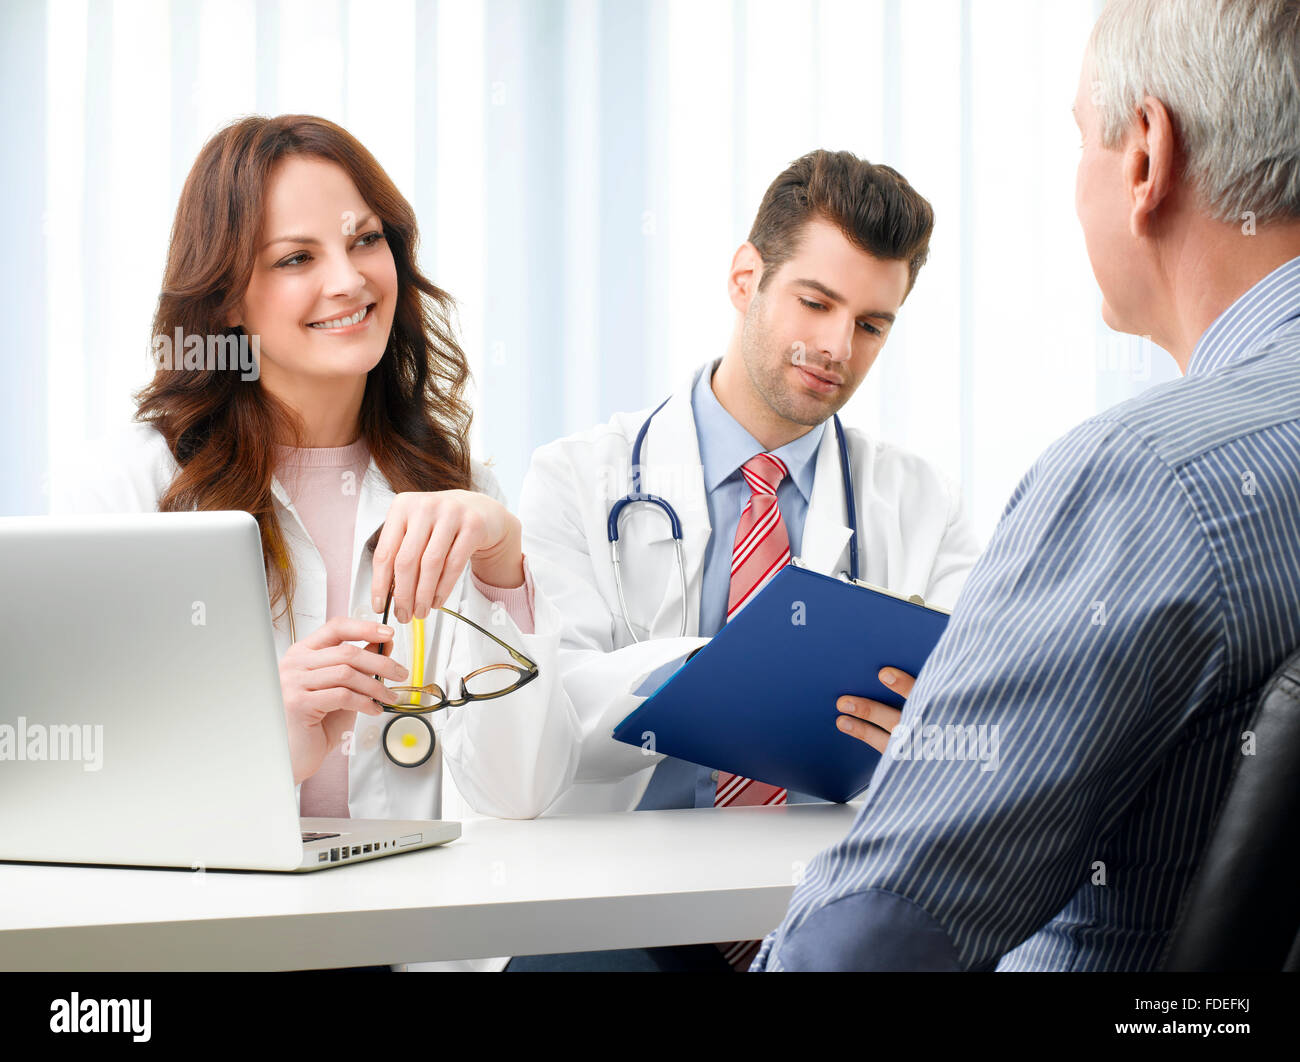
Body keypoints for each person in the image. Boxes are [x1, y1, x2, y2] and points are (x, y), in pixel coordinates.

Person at [753, 0, 1300, 972]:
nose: (838, 346)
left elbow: (871, 937)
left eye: (1079, 138)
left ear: (1144, 158)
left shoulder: (1147, 478)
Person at [50, 114, 580, 973]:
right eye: (296, 259)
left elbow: (523, 798)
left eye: (365, 241)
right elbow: (74, 802)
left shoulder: (454, 487)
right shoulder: (130, 489)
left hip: (413, 949)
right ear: (226, 298)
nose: (349, 281)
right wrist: (264, 735)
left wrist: (502, 552)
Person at [509, 149, 983, 970]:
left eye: (872, 325)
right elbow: (545, 724)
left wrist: (928, 743)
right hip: (625, 916)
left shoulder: (924, 504)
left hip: (817, 915)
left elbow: (978, 717)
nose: (838, 346)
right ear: (745, 279)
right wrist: (719, 672)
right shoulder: (576, 479)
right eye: (816, 302)